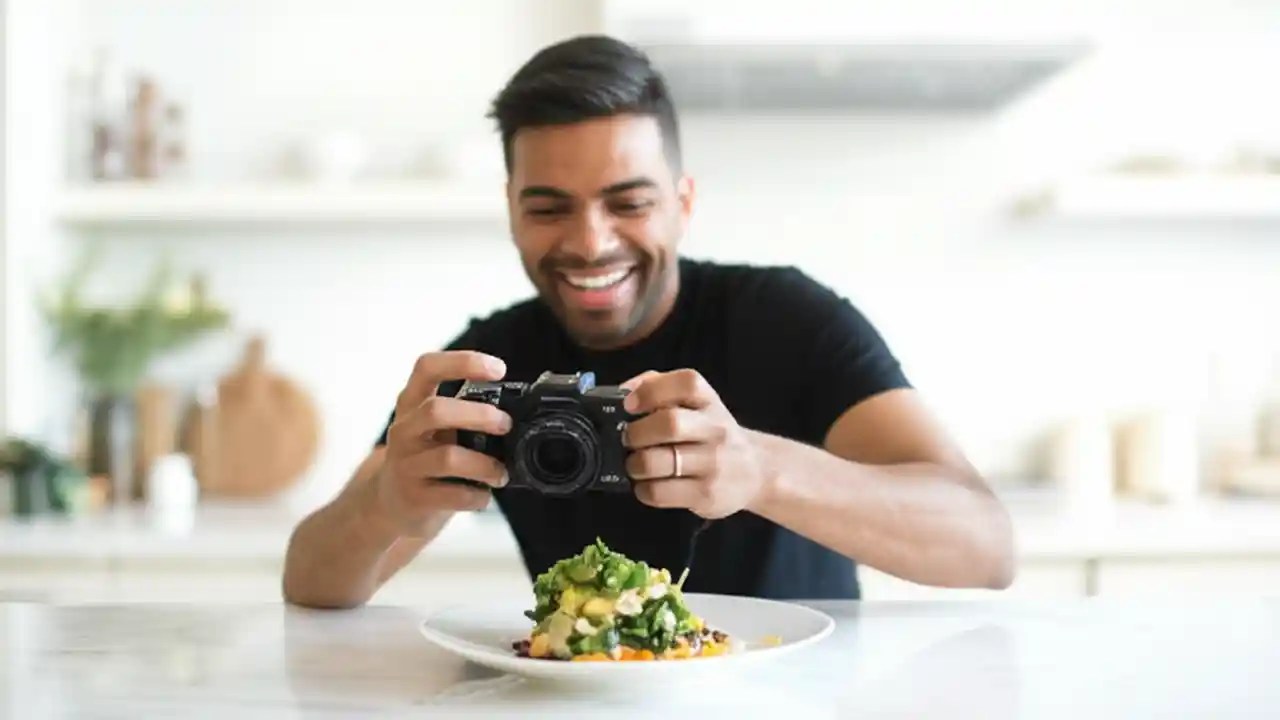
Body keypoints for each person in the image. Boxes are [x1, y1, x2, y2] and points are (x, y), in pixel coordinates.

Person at [282, 35, 1015, 609]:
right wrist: (383, 507)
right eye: (548, 208)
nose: (591, 242)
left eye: (628, 203)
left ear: (683, 203)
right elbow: (312, 584)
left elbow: (986, 545)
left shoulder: (789, 321)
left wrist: (760, 471)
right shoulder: (490, 365)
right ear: (510, 208)